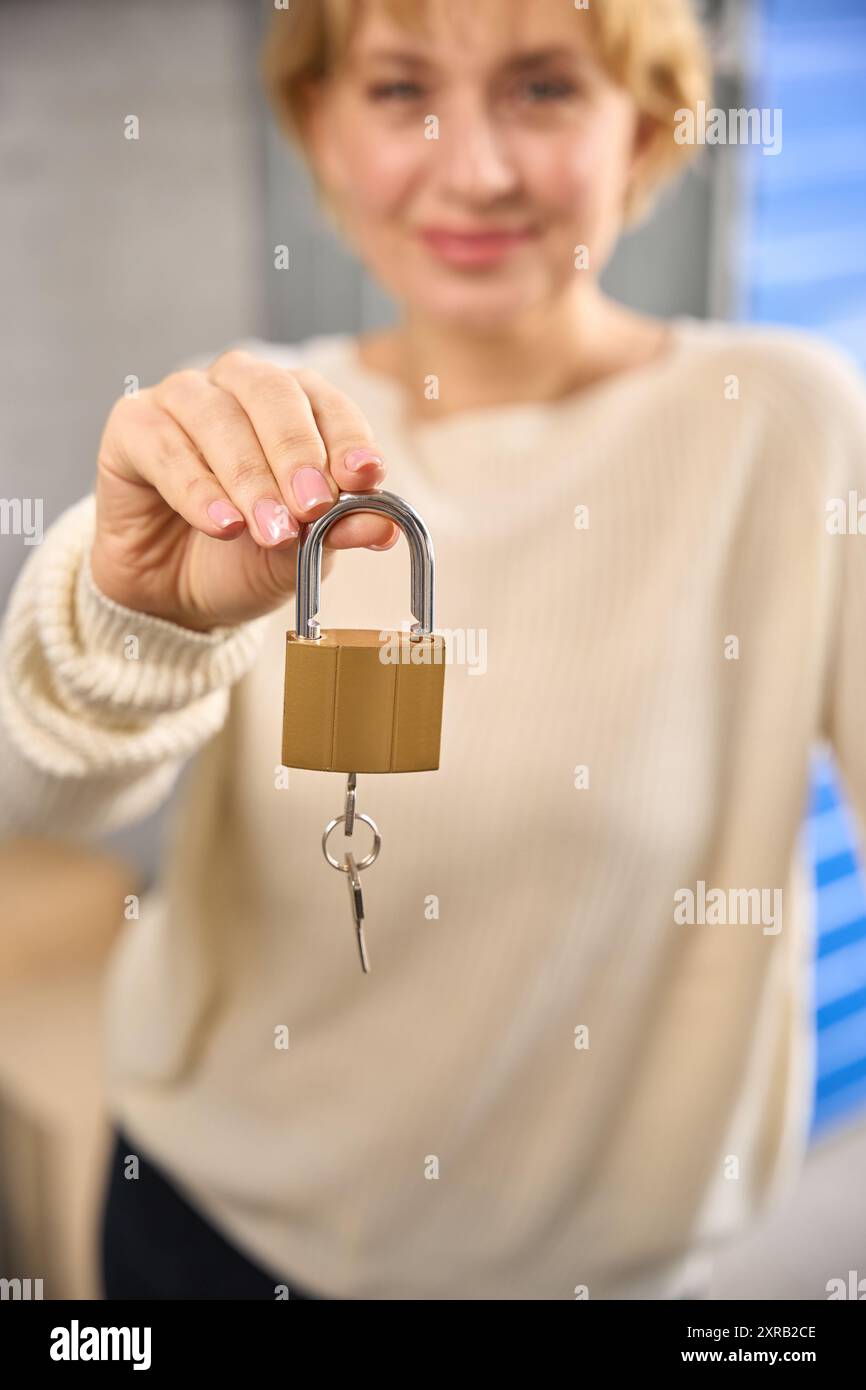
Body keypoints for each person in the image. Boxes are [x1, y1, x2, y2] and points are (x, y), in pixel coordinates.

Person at [2, 0, 865, 1302]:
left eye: (543, 89)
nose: (473, 168)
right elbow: (41, 798)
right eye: (401, 88)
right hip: (207, 1227)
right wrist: (143, 620)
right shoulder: (243, 435)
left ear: (642, 126)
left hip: (593, 1277)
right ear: (320, 129)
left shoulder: (791, 427)